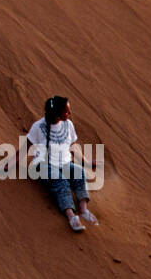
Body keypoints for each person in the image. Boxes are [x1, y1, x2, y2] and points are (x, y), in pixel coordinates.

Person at [26, 96, 99, 232]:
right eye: (66, 111)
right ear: (57, 113)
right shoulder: (38, 126)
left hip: (64, 162)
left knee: (79, 173)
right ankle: (71, 216)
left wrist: (86, 163)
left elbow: (73, 147)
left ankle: (84, 210)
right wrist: (9, 164)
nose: (69, 114)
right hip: (43, 165)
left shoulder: (68, 125)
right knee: (61, 181)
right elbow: (25, 147)